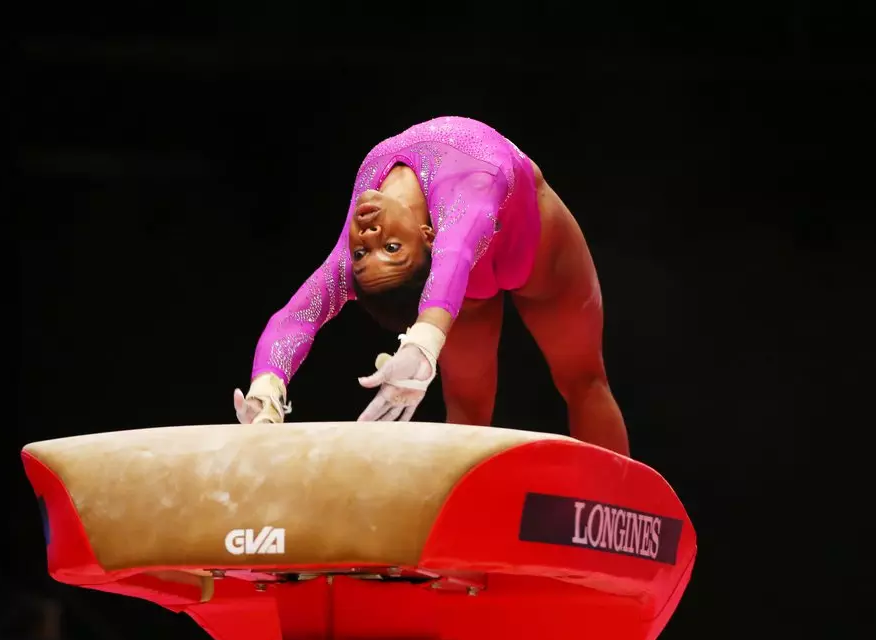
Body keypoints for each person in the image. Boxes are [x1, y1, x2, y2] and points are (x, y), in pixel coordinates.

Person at [233, 116, 630, 456]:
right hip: (458, 285)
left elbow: (295, 316)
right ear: (428, 236)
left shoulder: (468, 186)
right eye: (389, 247)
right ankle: (468, 531)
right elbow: (454, 255)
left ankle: (617, 515)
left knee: (583, 380)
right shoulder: (456, 211)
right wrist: (266, 397)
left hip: (534, 251)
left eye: (361, 255)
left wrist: (423, 343)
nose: (366, 237)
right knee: (466, 408)